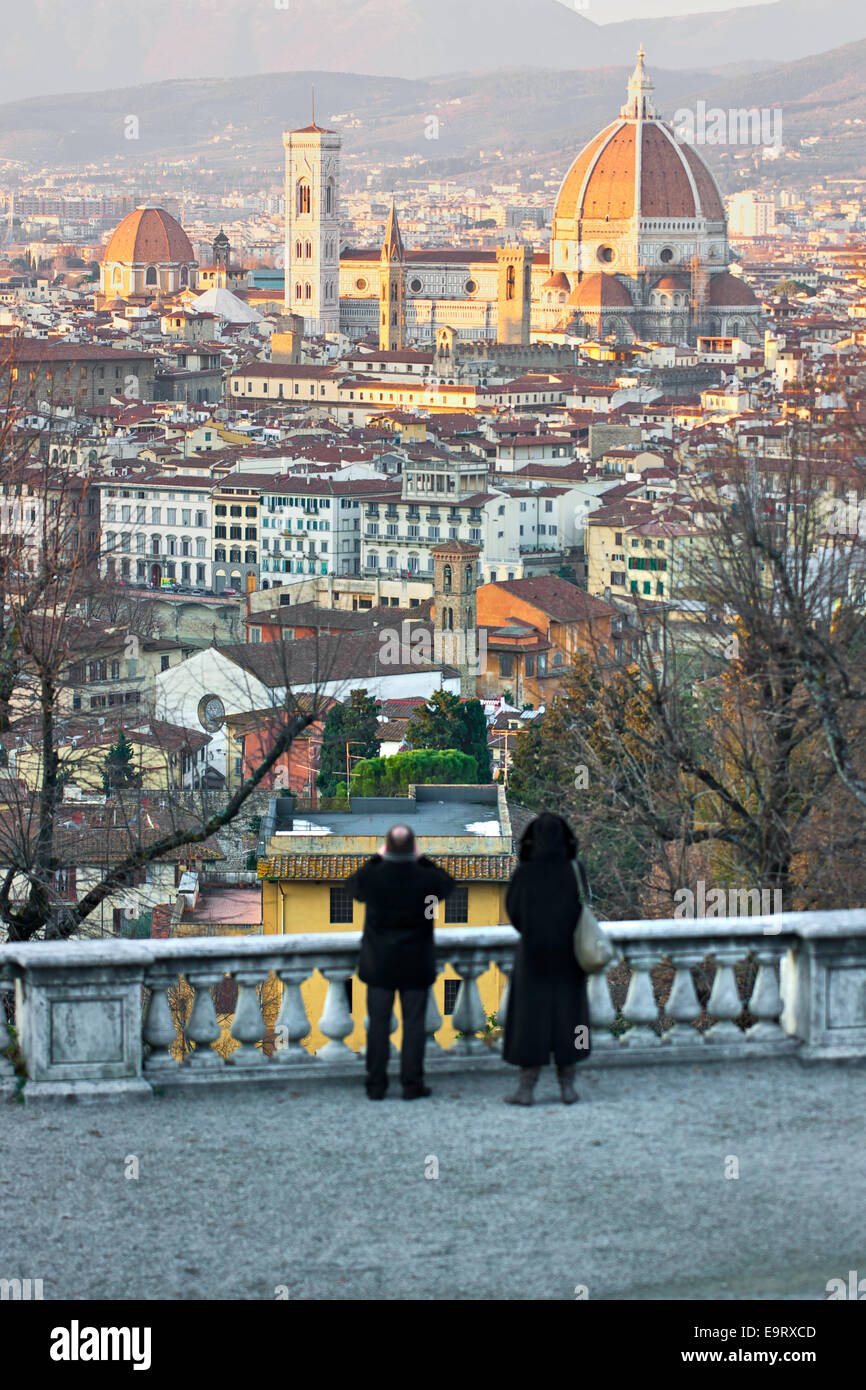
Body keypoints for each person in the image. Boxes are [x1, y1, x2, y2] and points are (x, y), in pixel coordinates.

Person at [347, 824, 455, 1101]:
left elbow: (353, 886)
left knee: (378, 1027)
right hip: (415, 963)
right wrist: (421, 858)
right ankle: (411, 1085)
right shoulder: (425, 878)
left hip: (379, 964)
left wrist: (376, 858)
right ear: (412, 847)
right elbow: (447, 883)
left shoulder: (374, 876)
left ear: (386, 847)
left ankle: (376, 1085)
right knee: (414, 1027)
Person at [502, 812, 591, 1106]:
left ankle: (526, 1089)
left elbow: (513, 913)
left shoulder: (525, 872)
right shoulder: (574, 869)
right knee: (569, 1018)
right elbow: (583, 905)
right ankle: (568, 1087)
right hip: (569, 957)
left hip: (533, 957)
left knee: (531, 1021)